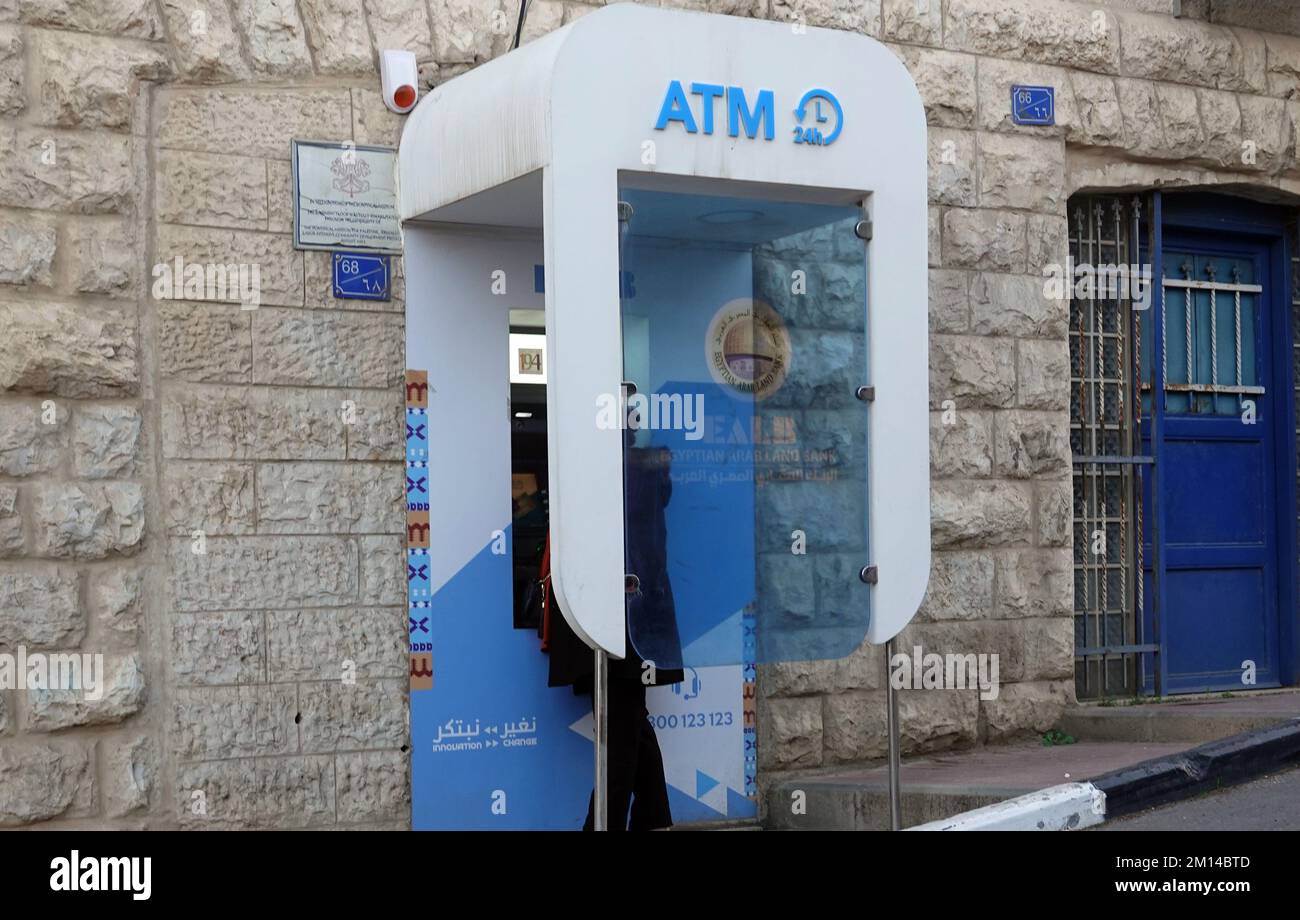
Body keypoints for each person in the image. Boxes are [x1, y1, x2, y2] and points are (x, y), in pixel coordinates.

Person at [541, 443, 683, 831]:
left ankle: (610, 824)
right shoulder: (644, 468)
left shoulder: (611, 468)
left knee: (623, 727)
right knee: (630, 721)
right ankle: (653, 817)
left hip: (614, 611)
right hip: (625, 611)